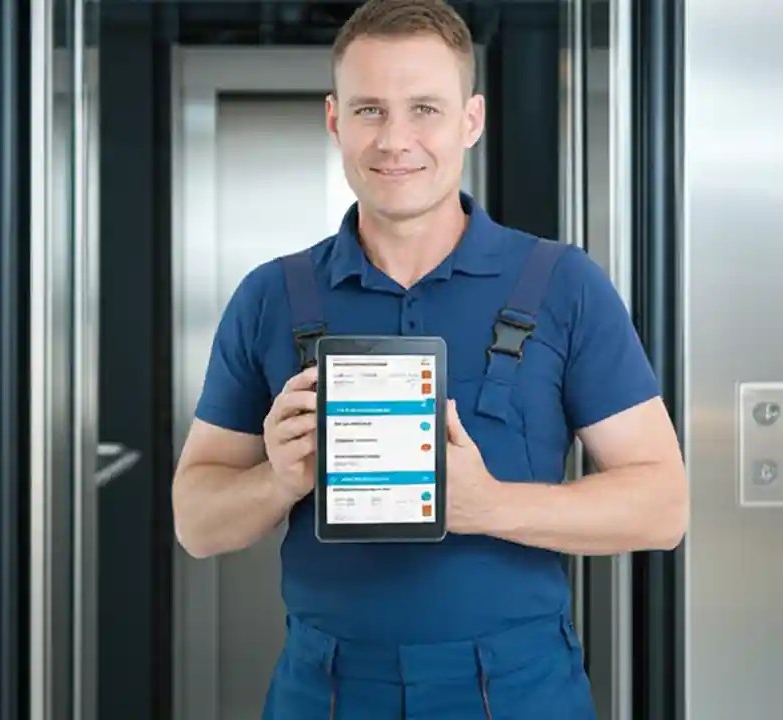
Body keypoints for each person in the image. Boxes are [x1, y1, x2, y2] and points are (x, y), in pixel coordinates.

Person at [172, 0, 688, 716]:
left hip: (517, 691)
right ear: (334, 121)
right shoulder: (271, 296)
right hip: (323, 692)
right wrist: (277, 479)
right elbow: (195, 523)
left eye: (424, 108)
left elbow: (663, 505)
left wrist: (490, 506)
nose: (395, 140)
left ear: (470, 120)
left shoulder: (563, 285)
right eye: (369, 111)